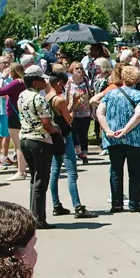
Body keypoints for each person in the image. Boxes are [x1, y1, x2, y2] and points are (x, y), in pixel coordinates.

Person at [97, 65, 140, 213]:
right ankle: (134, 203)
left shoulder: (110, 94)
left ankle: (116, 203)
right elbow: (139, 115)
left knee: (115, 171)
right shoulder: (139, 95)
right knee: (135, 173)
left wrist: (107, 130)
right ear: (136, 79)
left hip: (113, 139)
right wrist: (125, 130)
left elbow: (100, 112)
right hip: (135, 140)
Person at [45, 72, 92, 219]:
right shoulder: (59, 100)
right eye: (63, 85)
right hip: (65, 136)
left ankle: (56, 204)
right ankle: (77, 206)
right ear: (59, 83)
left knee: (55, 172)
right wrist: (72, 104)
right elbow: (69, 119)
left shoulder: (46, 98)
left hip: (53, 137)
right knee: (72, 172)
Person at [17, 67, 58, 229]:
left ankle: (33, 215)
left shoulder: (22, 95)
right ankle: (38, 218)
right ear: (35, 82)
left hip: (24, 139)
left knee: (34, 178)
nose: (45, 81)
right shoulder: (38, 98)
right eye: (42, 79)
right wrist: (56, 130)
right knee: (41, 179)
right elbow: (46, 123)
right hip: (39, 140)